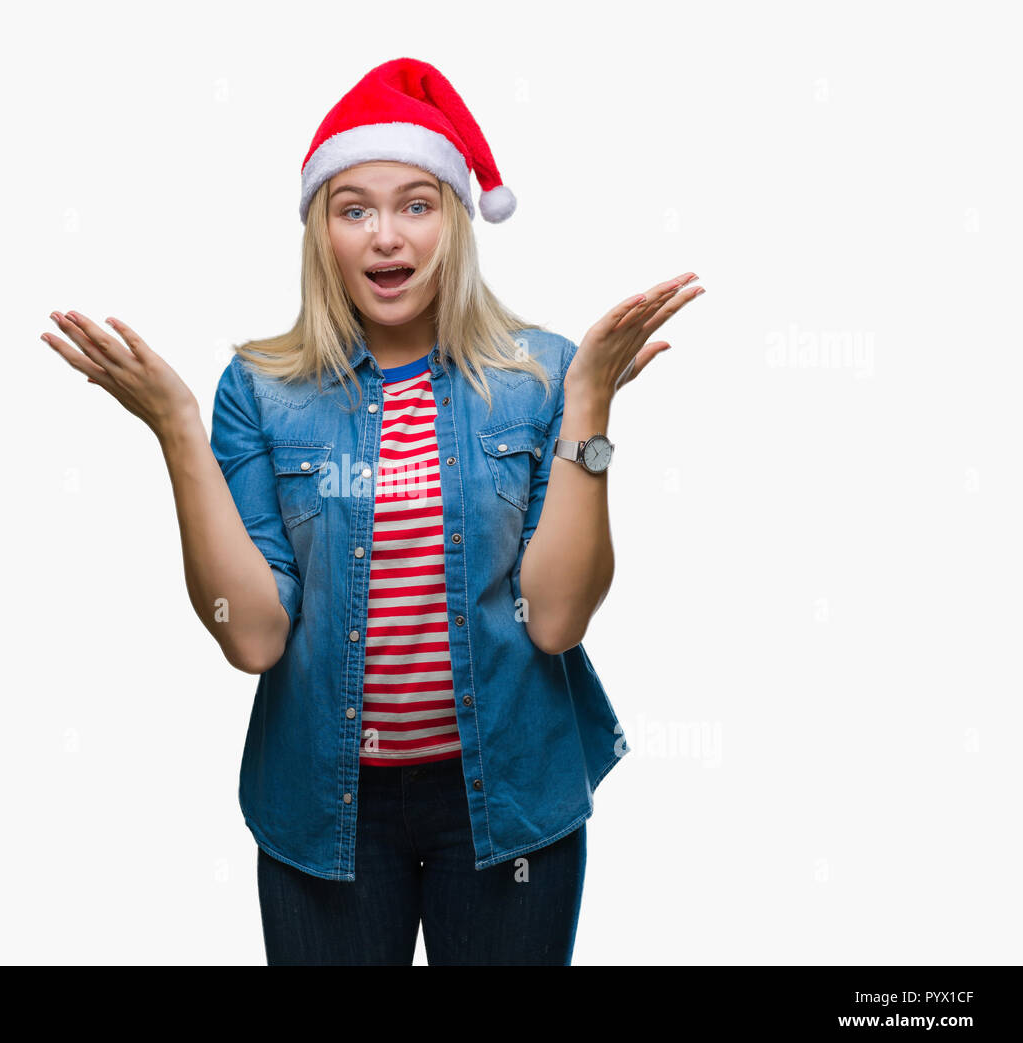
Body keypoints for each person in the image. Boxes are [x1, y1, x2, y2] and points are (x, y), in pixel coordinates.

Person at [40, 57, 704, 965]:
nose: (386, 237)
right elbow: (253, 638)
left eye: (416, 205)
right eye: (354, 208)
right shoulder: (262, 393)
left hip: (509, 801)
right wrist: (177, 431)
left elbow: (555, 620)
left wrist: (588, 407)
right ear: (323, 232)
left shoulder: (540, 376)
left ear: (457, 224)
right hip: (325, 808)